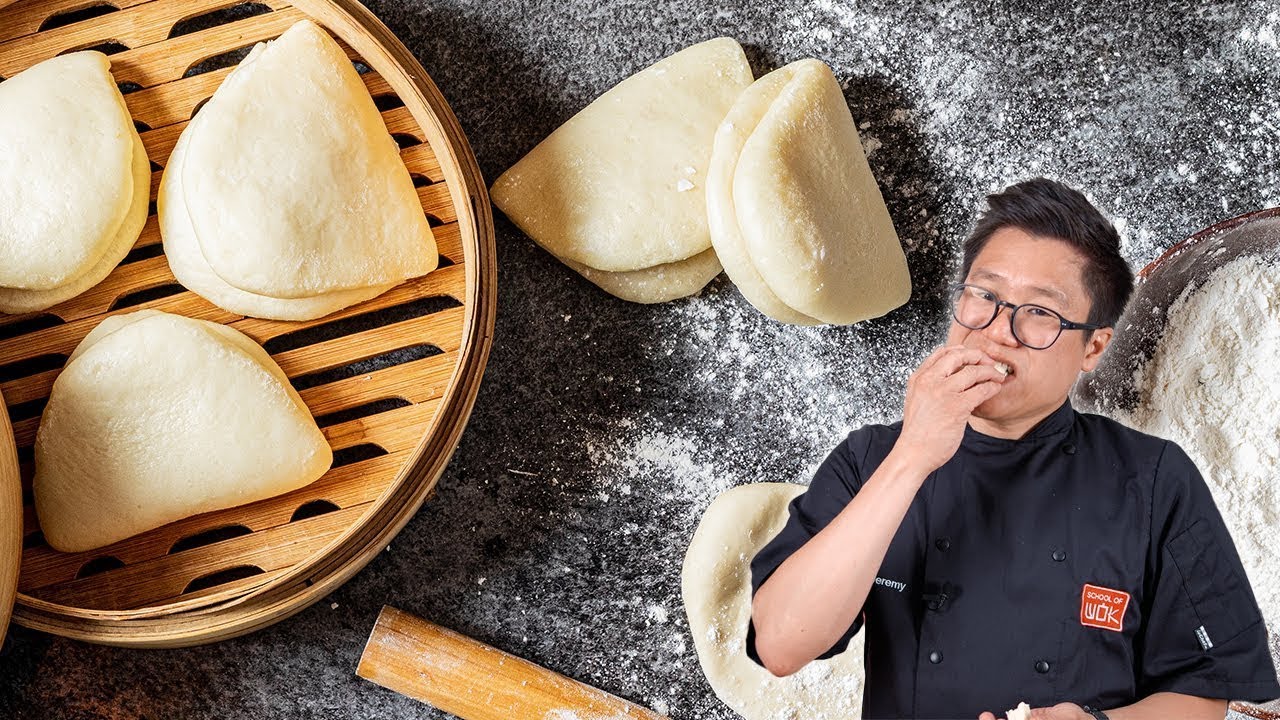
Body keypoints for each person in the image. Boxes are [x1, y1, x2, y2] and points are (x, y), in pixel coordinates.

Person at [747, 178, 1280, 720]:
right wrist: (912, 457)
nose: (999, 331)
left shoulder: (1153, 479)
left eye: (1040, 313)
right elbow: (781, 645)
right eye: (984, 296)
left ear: (1093, 347)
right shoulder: (873, 458)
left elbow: (1205, 696)